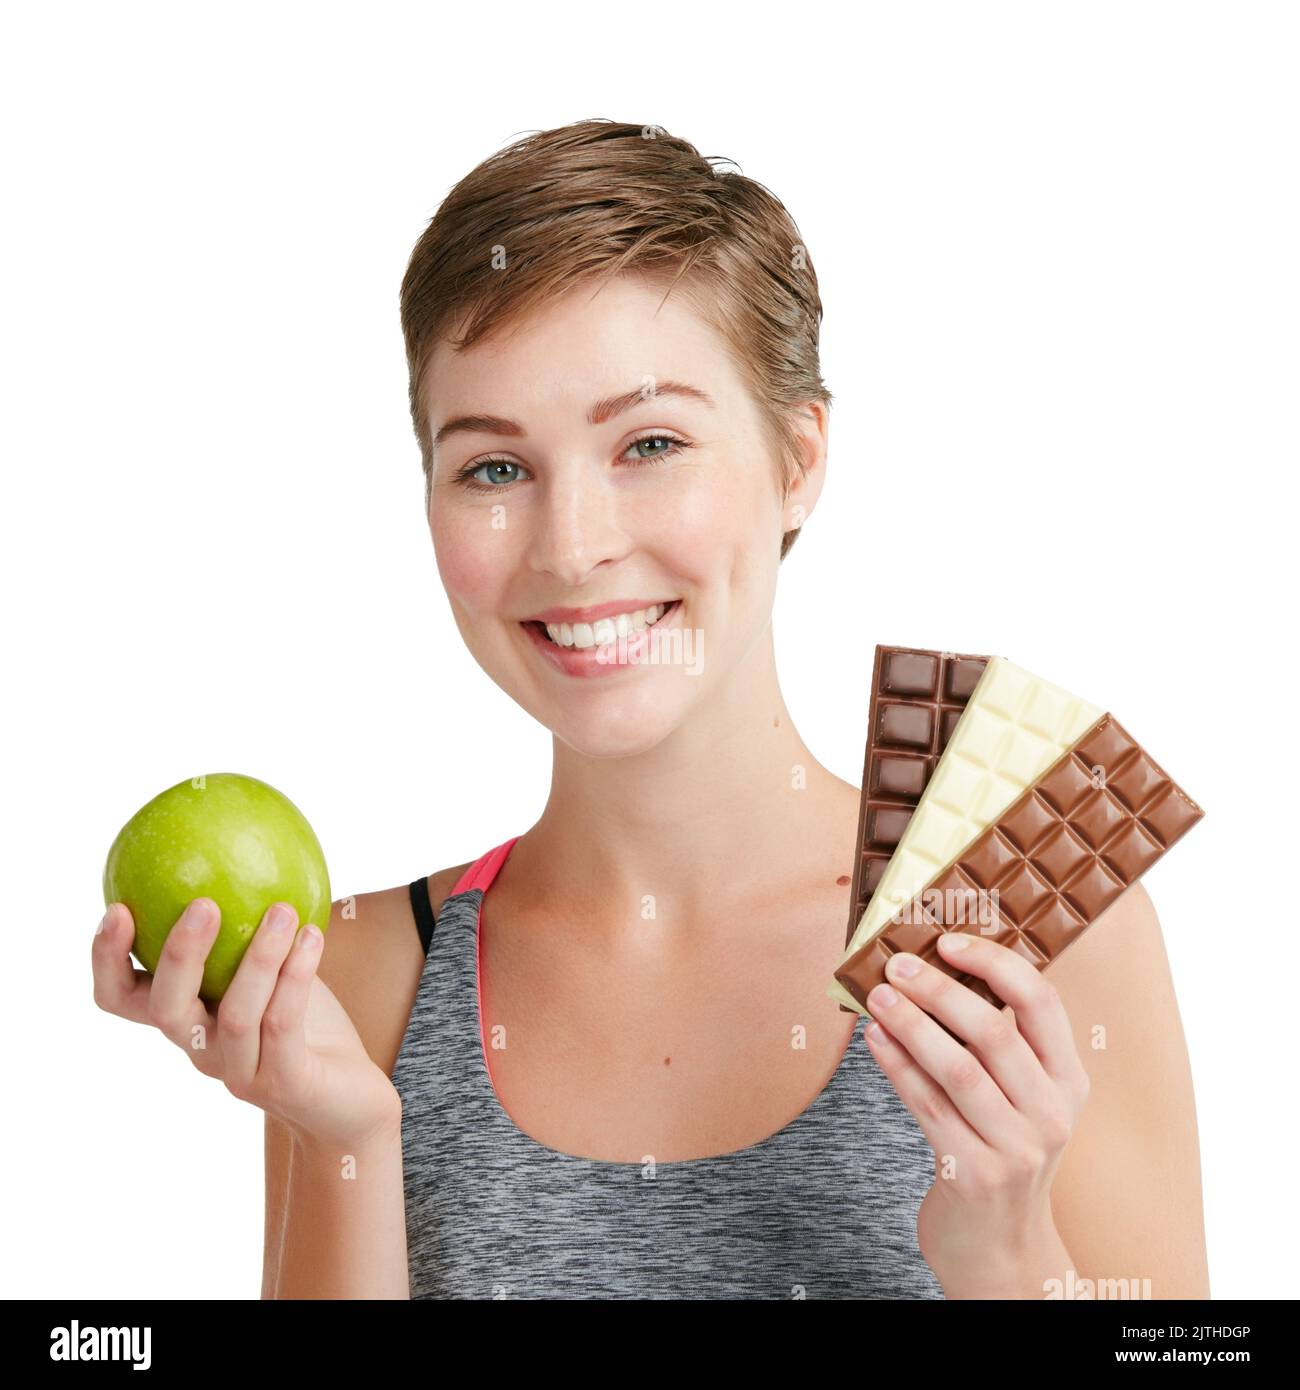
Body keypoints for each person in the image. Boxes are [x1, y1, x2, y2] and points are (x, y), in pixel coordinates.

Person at [94, 119, 1210, 1300]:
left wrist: (1005, 1246)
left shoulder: (1023, 918)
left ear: (796, 457)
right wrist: (345, 1141)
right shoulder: (361, 971)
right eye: (493, 467)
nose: (573, 549)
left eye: (651, 442)